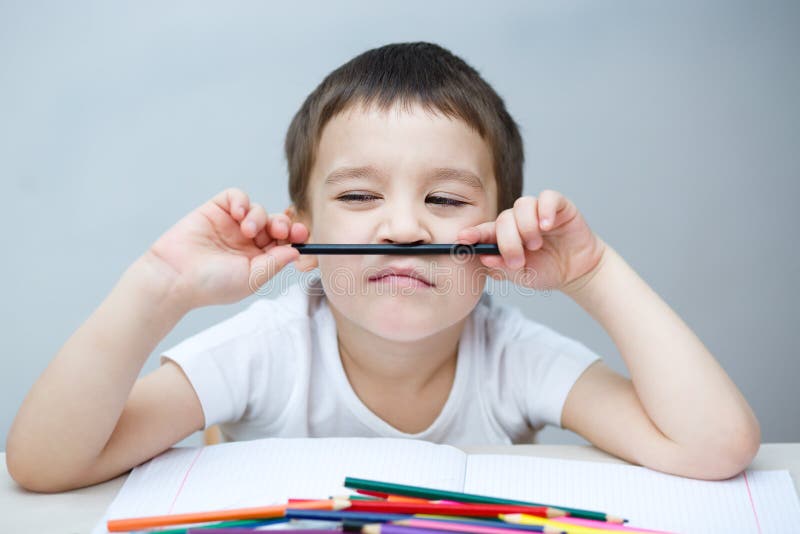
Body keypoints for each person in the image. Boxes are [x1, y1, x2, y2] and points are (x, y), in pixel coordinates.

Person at [6, 42, 760, 493]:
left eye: (442, 196)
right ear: (301, 230)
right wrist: (156, 288)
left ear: (498, 231)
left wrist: (592, 274)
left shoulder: (514, 356)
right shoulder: (267, 348)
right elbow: (42, 465)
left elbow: (715, 447)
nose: (403, 228)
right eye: (360, 195)